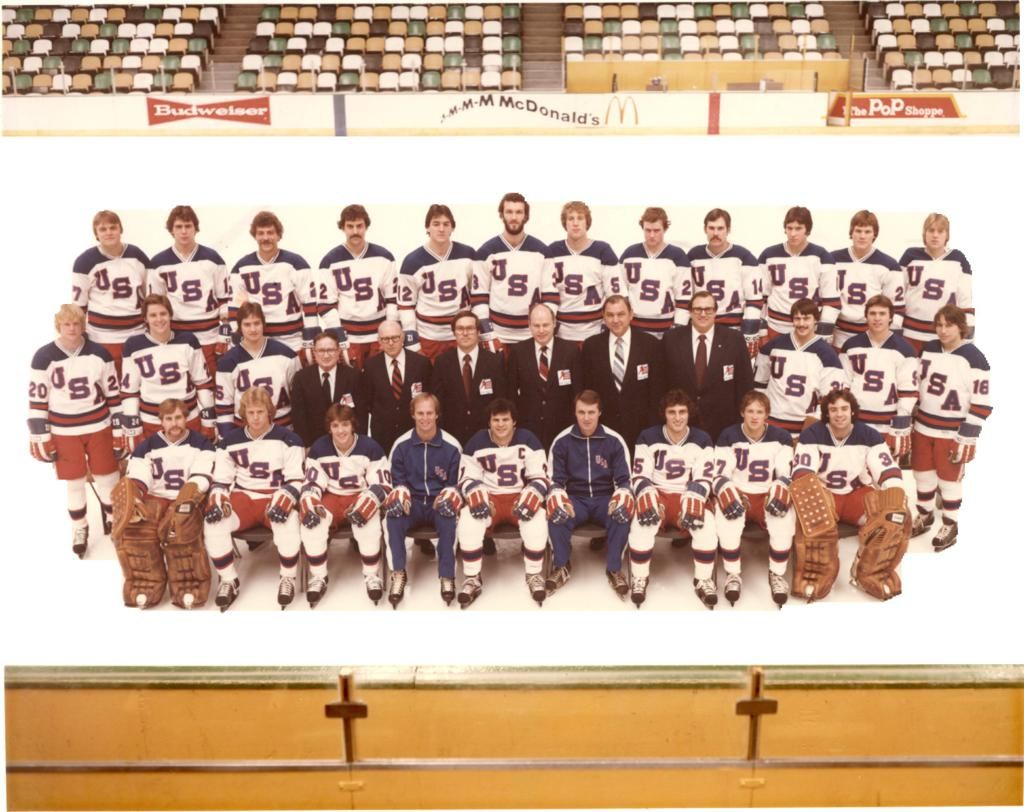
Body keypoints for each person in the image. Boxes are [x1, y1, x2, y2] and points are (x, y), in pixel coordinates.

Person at [791, 389, 908, 601]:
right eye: (833, 409)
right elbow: (802, 471)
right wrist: (812, 490)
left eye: (844, 408)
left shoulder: (869, 435)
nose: (839, 414)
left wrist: (894, 490)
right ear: (826, 413)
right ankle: (821, 572)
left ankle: (867, 572)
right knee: (812, 513)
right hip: (825, 495)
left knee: (894, 517)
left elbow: (887, 470)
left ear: (852, 411)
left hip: (856, 495)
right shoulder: (812, 434)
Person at [29, 304, 124, 557]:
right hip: (63, 429)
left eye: (76, 324)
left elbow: (113, 394)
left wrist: (119, 429)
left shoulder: (99, 353)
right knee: (74, 483)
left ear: (83, 325)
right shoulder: (43, 356)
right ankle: (79, 527)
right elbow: (38, 399)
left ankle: (115, 522)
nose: (72, 329)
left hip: (98, 425)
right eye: (66, 324)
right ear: (58, 326)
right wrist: (40, 434)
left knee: (107, 479)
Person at [203, 387, 306, 611]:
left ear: (270, 411)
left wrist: (286, 497)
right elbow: (221, 479)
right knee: (213, 522)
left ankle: (287, 577)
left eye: (260, 411)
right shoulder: (229, 441)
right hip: (244, 497)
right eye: (251, 412)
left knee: (289, 523)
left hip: (275, 496)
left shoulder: (289, 439)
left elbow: (296, 478)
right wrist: (218, 499)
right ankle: (229, 579)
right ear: (244, 414)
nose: (256, 417)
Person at [114, 397, 216, 609]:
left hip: (187, 499)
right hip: (156, 498)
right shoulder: (147, 446)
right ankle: (145, 585)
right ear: (161, 421)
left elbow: (203, 472)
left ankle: (188, 585)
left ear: (186, 418)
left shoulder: (201, 443)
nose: (174, 423)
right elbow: (140, 474)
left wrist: (188, 495)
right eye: (169, 419)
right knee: (137, 531)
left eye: (178, 417)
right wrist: (135, 496)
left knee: (178, 531)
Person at [627, 389, 720, 609]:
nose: (677, 417)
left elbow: (704, 476)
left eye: (682, 412)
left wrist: (695, 498)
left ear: (689, 413)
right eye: (672, 412)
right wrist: (647, 496)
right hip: (658, 494)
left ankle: (703, 579)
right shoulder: (648, 437)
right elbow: (640, 475)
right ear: (664, 414)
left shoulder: (702, 439)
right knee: (641, 523)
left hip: (687, 495)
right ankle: (640, 577)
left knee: (706, 525)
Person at [911, 305, 992, 552]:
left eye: (949, 325)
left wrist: (967, 435)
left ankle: (950, 523)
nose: (943, 330)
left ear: (961, 327)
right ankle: (925, 515)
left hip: (951, 431)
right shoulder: (928, 349)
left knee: (949, 480)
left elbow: (982, 402)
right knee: (921, 474)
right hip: (923, 425)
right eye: (939, 325)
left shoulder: (974, 357)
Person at [455, 399, 551, 607]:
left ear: (514, 421)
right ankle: (472, 578)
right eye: (495, 420)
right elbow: (466, 478)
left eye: (505, 419)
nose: (500, 424)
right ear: (489, 422)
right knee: (468, 518)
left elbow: (541, 477)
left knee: (538, 518)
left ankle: (533, 575)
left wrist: (533, 493)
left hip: (519, 497)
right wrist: (474, 493)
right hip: (491, 499)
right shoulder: (477, 442)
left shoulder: (528, 439)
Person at [299, 404, 391, 607]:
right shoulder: (319, 448)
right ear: (329, 427)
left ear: (353, 425)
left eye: (345, 425)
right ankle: (318, 576)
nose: (340, 430)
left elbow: (382, 484)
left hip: (359, 496)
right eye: (335, 425)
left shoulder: (370, 447)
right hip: (331, 496)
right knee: (312, 522)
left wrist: (369, 500)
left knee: (370, 520)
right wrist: (310, 501)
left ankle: (371, 575)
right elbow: (313, 482)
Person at [546, 390, 634, 600]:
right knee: (557, 515)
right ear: (575, 413)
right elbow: (555, 481)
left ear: (599, 412)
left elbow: (624, 481)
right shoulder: (562, 441)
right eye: (581, 412)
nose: (586, 418)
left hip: (606, 498)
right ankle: (561, 566)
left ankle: (614, 569)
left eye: (591, 412)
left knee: (621, 515)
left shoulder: (614, 440)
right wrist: (559, 499)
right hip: (576, 498)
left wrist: (620, 498)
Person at [713, 391, 796, 608]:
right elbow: (721, 472)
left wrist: (781, 487)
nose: (755, 416)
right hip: (739, 494)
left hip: (768, 495)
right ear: (742, 413)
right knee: (727, 522)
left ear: (767, 414)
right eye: (750, 411)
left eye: (760, 411)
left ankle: (777, 575)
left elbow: (785, 472)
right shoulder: (728, 435)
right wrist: (727, 490)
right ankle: (733, 574)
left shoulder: (781, 437)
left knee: (784, 521)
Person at [381, 393, 464, 607]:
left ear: (437, 415)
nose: (425, 418)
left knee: (448, 516)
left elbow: (456, 484)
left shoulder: (452, 446)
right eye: (420, 413)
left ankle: (447, 576)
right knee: (393, 516)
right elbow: (396, 481)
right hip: (414, 503)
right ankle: (398, 572)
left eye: (429, 413)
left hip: (439, 501)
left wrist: (448, 498)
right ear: (412, 415)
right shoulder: (401, 445)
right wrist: (402, 497)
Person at [120, 294, 215, 446]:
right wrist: (133, 427)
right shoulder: (133, 346)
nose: (159, 319)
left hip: (188, 418)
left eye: (163, 313)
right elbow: (130, 391)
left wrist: (208, 420)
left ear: (170, 315)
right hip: (152, 421)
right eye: (153, 315)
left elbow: (202, 383)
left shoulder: (188, 341)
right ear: (145, 318)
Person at [148, 205, 229, 378]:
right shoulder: (158, 263)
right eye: (178, 227)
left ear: (195, 228)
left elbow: (225, 302)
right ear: (171, 230)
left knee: (213, 386)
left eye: (188, 226)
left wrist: (225, 336)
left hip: (209, 335)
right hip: (176, 336)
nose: (184, 231)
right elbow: (154, 304)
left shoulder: (213, 258)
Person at [662, 291, 754, 443]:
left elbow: (745, 385)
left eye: (708, 309)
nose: (703, 314)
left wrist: (740, 425)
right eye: (698, 309)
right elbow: (662, 383)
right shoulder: (671, 339)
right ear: (690, 312)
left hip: (723, 426)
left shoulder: (734, 339)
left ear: (715, 312)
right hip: (681, 425)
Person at [71, 209, 152, 378]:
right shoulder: (84, 262)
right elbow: (79, 307)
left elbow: (150, 296)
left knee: (139, 383)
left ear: (120, 229)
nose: (109, 232)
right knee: (109, 384)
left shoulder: (137, 255)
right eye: (103, 229)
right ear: (96, 234)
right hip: (103, 337)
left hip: (137, 333)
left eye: (112, 227)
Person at [317, 204, 398, 371]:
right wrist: (338, 333)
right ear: (342, 228)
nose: (355, 231)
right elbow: (326, 304)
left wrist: (388, 329)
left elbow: (392, 298)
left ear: (366, 226)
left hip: (379, 333)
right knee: (351, 385)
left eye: (359, 226)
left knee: (380, 383)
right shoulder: (329, 261)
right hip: (349, 336)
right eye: (350, 226)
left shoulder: (384, 257)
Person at [228, 211, 318, 360]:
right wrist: (237, 338)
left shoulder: (296, 263)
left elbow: (309, 304)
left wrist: (310, 339)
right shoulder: (241, 267)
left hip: (292, 340)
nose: (265, 238)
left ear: (278, 235)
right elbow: (235, 308)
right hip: (258, 340)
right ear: (254, 236)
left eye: (270, 232)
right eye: (260, 233)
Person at [472, 192, 555, 351]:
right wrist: (488, 333)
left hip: (532, 334)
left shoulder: (542, 252)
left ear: (525, 216)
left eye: (518, 212)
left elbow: (550, 295)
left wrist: (543, 330)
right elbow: (479, 296)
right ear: (502, 215)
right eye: (509, 212)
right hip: (498, 334)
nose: (514, 217)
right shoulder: (486, 252)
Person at [754, 299, 847, 440]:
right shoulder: (773, 346)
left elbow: (830, 400)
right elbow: (759, 384)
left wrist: (808, 432)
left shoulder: (828, 355)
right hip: (771, 420)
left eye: (806, 318)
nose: (801, 324)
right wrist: (760, 415)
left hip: (803, 425)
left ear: (816, 320)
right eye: (797, 318)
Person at [839, 295, 918, 460]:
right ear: (866, 315)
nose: (877, 318)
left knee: (885, 479)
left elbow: (908, 392)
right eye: (872, 313)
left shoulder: (905, 350)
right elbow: (842, 386)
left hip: (886, 422)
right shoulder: (850, 346)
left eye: (882, 313)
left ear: (891, 317)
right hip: (856, 421)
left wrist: (900, 426)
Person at [580, 295, 664, 449]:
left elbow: (657, 392)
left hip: (641, 430)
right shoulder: (591, 346)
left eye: (621, 314)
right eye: (610, 315)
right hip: (604, 430)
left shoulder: (650, 345)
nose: (615, 319)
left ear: (631, 314)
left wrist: (653, 429)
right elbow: (587, 390)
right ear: (603, 317)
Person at [397, 204, 476, 361]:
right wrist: (413, 341)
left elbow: (478, 293)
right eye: (436, 224)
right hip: (429, 336)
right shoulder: (412, 261)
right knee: (431, 383)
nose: (441, 229)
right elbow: (405, 305)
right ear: (427, 227)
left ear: (452, 227)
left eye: (446, 224)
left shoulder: (468, 254)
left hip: (461, 334)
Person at [215, 302, 301, 438]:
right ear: (239, 327)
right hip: (245, 432)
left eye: (257, 323)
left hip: (283, 428)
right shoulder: (228, 362)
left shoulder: (287, 355)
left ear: (264, 324)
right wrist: (226, 440)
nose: (253, 329)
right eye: (247, 324)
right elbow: (224, 407)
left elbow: (298, 400)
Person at [685, 208, 763, 356]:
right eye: (711, 228)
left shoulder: (744, 257)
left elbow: (754, 299)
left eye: (720, 228)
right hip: (701, 326)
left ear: (728, 229)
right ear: (705, 229)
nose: (715, 233)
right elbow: (686, 295)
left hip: (732, 328)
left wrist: (749, 332)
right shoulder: (693, 256)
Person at [544, 201, 624, 344]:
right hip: (562, 332)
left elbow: (614, 294)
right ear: (565, 223)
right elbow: (547, 291)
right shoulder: (553, 251)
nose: (576, 223)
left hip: (594, 330)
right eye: (571, 218)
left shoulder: (603, 250)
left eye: (580, 218)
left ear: (587, 222)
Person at [822, 210, 904, 349]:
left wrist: (892, 340)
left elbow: (896, 308)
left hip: (870, 335)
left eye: (867, 232)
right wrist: (824, 330)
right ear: (851, 232)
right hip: (838, 333)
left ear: (874, 234)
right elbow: (824, 297)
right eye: (858, 231)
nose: (862, 236)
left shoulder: (889, 265)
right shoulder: (832, 260)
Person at [506, 303, 582, 448]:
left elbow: (577, 392)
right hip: (528, 428)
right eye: (536, 325)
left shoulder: (571, 351)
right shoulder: (518, 352)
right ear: (529, 325)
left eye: (545, 325)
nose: (541, 330)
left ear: (554, 323)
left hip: (563, 427)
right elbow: (511, 394)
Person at [757, 206, 835, 343]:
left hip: (808, 328)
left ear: (807, 230)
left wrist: (823, 333)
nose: (793, 233)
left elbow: (831, 299)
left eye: (798, 228)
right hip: (776, 327)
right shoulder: (768, 255)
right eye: (789, 228)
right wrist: (762, 331)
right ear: (785, 229)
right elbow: (760, 296)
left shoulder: (822, 256)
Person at [899, 213, 974, 355]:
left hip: (942, 334)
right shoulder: (910, 256)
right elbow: (896, 294)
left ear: (947, 235)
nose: (935, 235)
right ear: (924, 233)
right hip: (910, 332)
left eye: (940, 231)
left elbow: (965, 300)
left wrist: (968, 334)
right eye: (931, 230)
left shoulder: (958, 260)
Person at [430, 311, 506, 447]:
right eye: (460, 329)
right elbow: (437, 402)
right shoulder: (442, 362)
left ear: (478, 332)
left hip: (487, 436)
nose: (465, 333)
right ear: (454, 333)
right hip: (452, 436)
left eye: (470, 328)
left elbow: (501, 400)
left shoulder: (494, 361)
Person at [618, 206, 691, 338]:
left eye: (656, 230)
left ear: (665, 229)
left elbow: (684, 296)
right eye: (648, 230)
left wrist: (678, 326)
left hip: (666, 328)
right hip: (634, 327)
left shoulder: (677, 256)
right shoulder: (629, 254)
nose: (652, 235)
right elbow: (620, 291)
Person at [290, 331, 364, 447]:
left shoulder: (353, 376)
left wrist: (357, 445)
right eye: (321, 351)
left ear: (339, 351)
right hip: (314, 445)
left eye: (330, 350)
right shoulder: (301, 378)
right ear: (314, 352)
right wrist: (307, 446)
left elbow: (361, 415)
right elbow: (299, 418)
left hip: (347, 443)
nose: (326, 355)